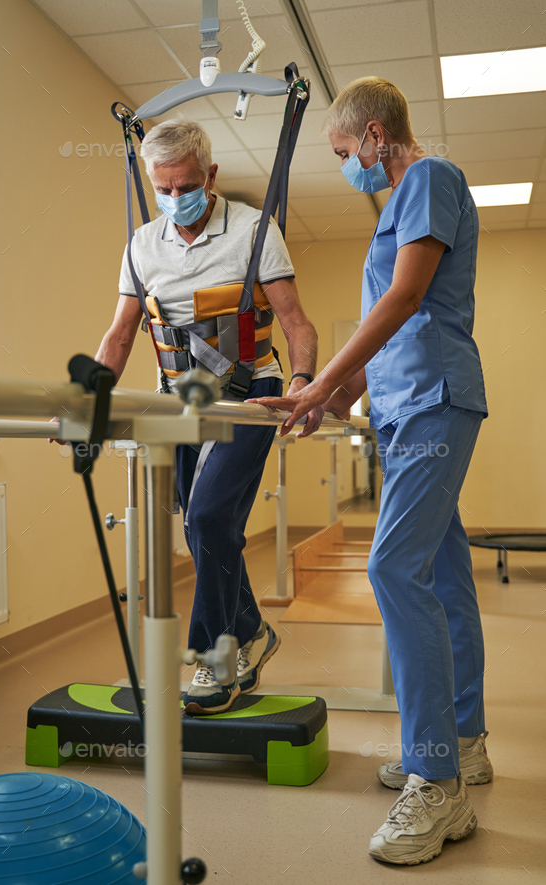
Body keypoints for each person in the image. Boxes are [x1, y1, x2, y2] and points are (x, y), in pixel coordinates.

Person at [250, 77, 493, 865]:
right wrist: (330, 396)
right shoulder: (396, 205)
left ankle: (436, 778)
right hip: (404, 406)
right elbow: (386, 327)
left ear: (376, 135)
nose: (345, 164)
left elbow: (407, 298)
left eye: (344, 150)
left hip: (432, 401)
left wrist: (321, 380)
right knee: (442, 570)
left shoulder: (427, 177)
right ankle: (461, 742)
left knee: (391, 567)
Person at [94, 118, 322, 715]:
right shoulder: (142, 244)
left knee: (209, 515)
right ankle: (253, 631)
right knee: (204, 530)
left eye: (187, 185)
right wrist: (85, 403)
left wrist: (302, 383)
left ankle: (213, 657)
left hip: (251, 396)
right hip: (180, 399)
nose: (175, 198)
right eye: (163, 188)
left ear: (211, 175)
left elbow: (296, 323)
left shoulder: (253, 230)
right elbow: (120, 335)